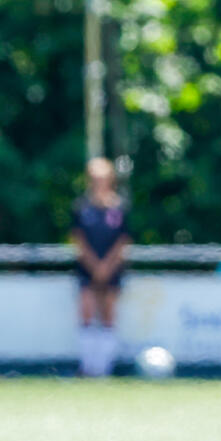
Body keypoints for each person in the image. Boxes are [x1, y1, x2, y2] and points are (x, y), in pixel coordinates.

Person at [70, 157, 131, 377]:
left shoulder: (119, 206)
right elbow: (78, 239)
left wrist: (106, 266)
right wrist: (95, 265)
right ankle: (87, 368)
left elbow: (123, 240)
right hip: (87, 267)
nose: (99, 183)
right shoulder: (81, 207)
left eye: (103, 179)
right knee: (86, 311)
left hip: (112, 267)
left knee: (108, 314)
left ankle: (104, 369)